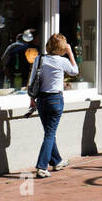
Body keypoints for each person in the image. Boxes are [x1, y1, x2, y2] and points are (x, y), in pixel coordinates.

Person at [27, 33, 78, 178]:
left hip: (41, 99)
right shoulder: (62, 61)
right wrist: (70, 52)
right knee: (50, 133)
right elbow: (75, 71)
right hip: (55, 99)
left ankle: (57, 161)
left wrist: (31, 99)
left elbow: (32, 80)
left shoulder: (39, 58)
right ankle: (42, 166)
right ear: (62, 47)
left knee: (49, 132)